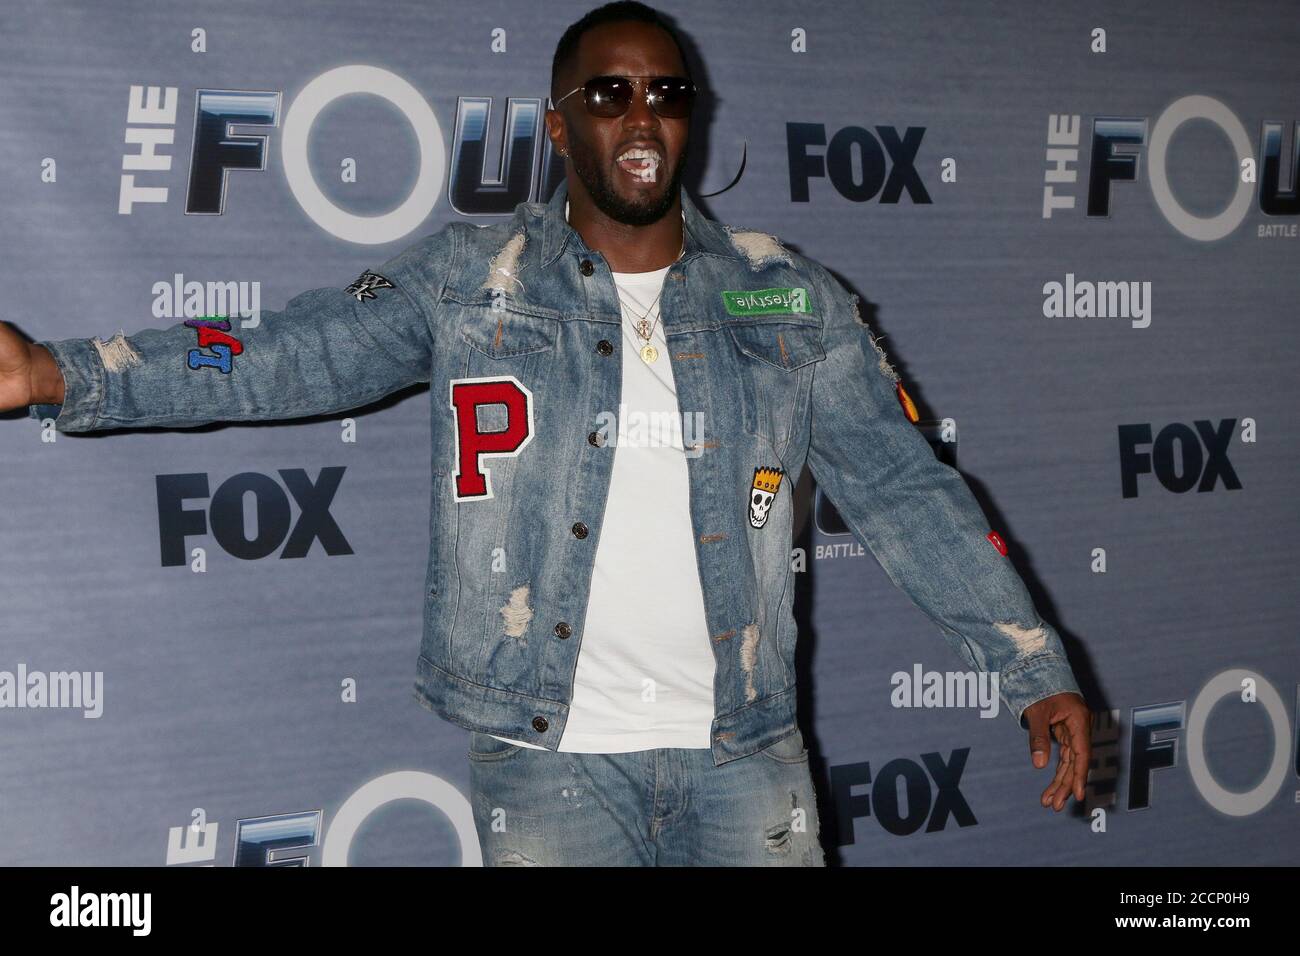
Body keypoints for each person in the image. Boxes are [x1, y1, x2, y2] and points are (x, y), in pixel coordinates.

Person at [0, 1, 1090, 866]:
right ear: (560, 122)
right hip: (546, 762)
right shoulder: (475, 285)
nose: (641, 115)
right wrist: (61, 372)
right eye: (608, 92)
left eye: (665, 92)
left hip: (744, 754)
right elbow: (292, 352)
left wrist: (1026, 658)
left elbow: (904, 486)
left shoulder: (782, 296)